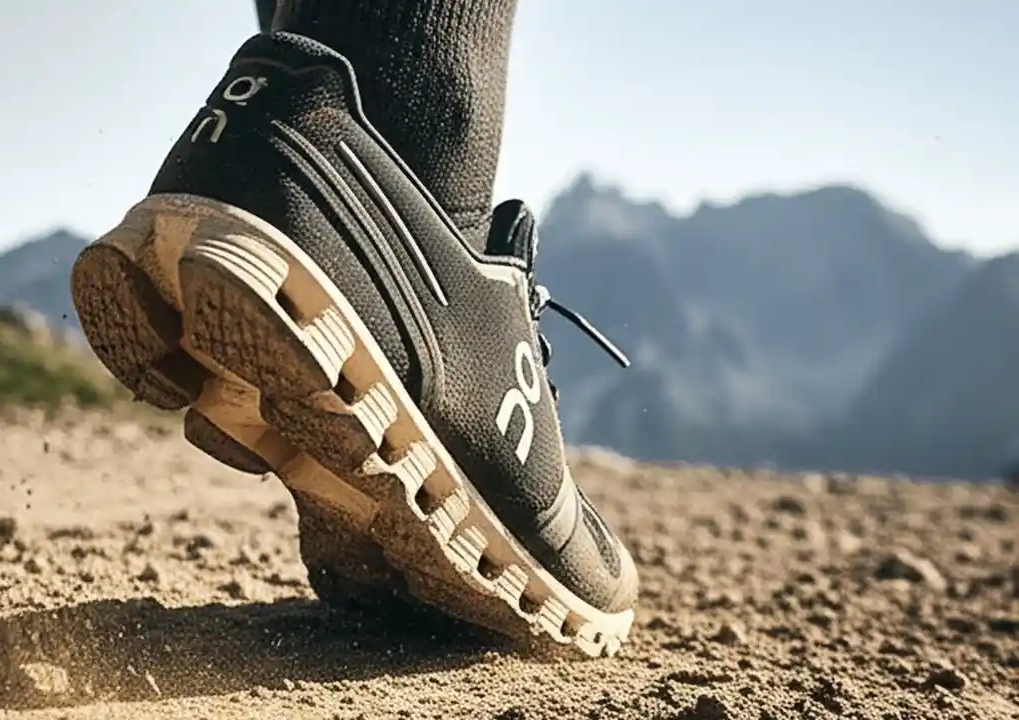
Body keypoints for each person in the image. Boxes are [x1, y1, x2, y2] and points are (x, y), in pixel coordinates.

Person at [70, 0, 637, 657]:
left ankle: (282, 136)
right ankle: (408, 168)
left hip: (254, 154)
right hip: (362, 203)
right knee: (411, 77)